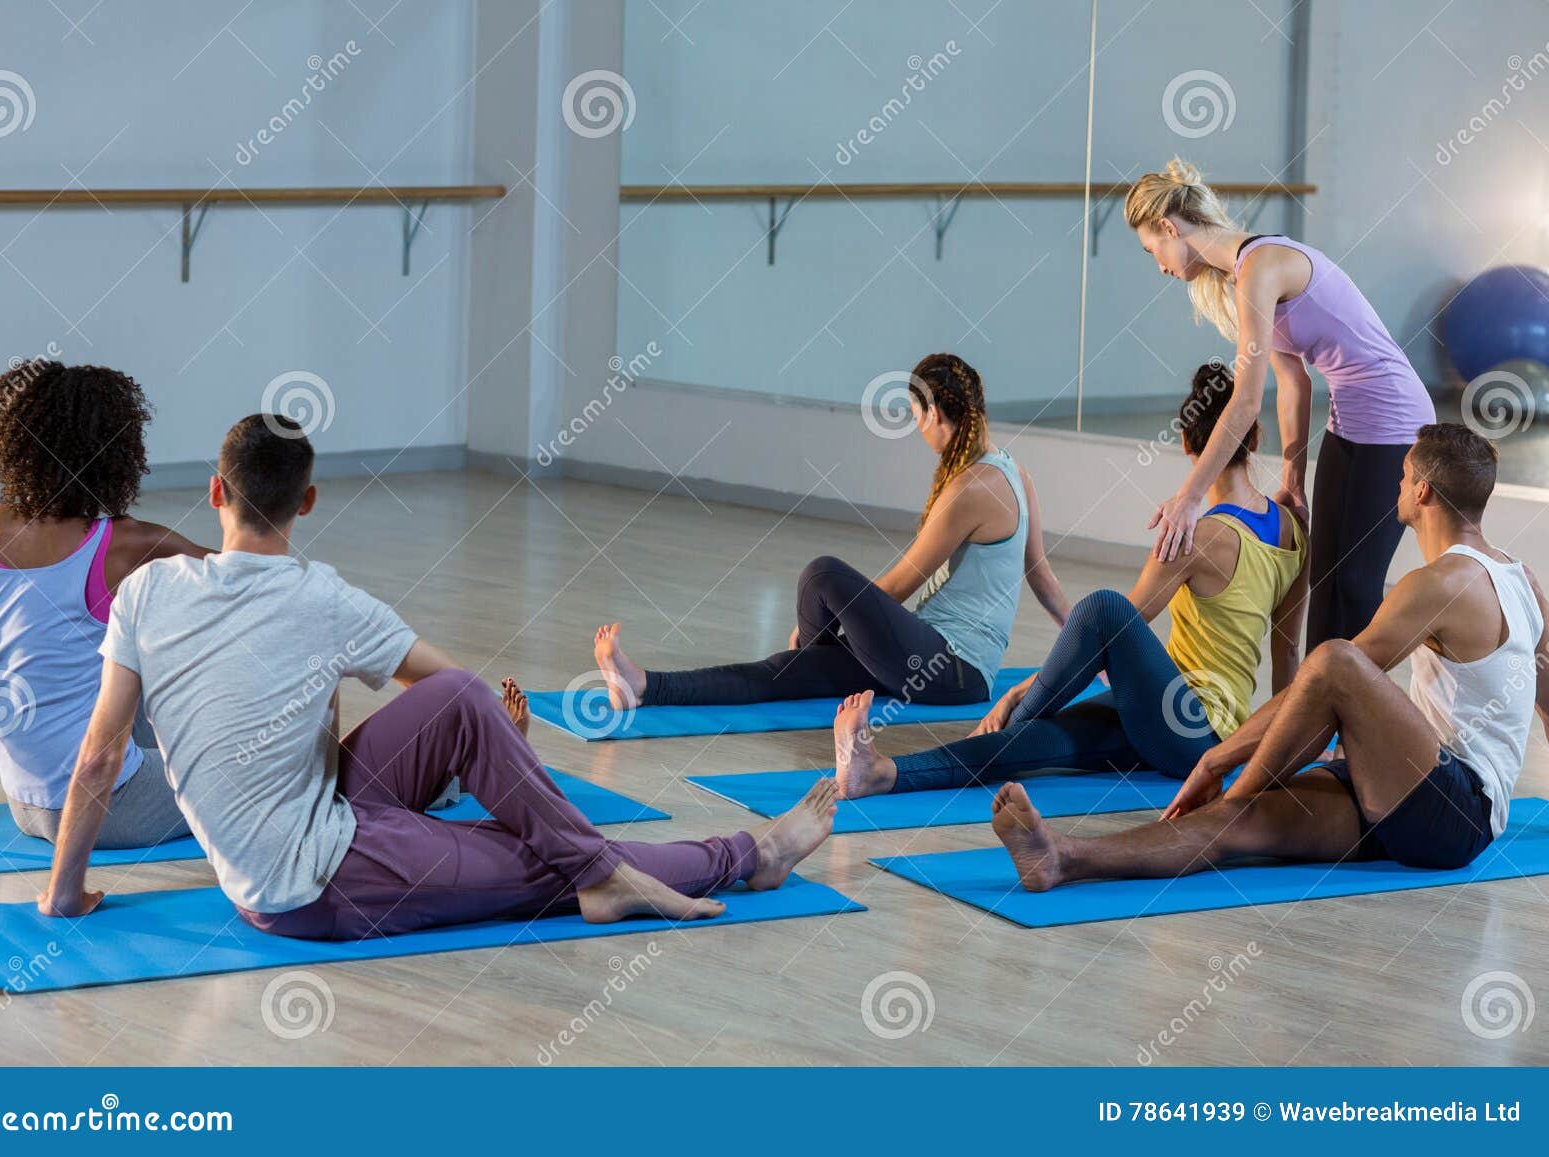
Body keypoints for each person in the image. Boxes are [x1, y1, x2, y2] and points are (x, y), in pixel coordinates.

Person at [37, 415, 839, 939]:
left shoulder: (146, 589)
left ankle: (595, 864)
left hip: (319, 815)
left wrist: (63, 893)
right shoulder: (324, 595)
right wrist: (500, 732)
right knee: (544, 861)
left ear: (215, 491)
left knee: (459, 701)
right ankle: (746, 854)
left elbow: (100, 756)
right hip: (305, 885)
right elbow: (447, 680)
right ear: (308, 500)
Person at [991, 423, 1547, 890]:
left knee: (1338, 661)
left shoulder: (1439, 583)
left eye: (1403, 476)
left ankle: (1234, 785)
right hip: (1403, 793)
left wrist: (1217, 759)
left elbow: (1330, 677)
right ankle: (1061, 857)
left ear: (1423, 492)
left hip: (1455, 812)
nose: (1397, 486)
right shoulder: (1524, 582)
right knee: (1244, 825)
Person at [834, 361, 1306, 797]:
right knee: (1035, 742)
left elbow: (1112, 629)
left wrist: (1024, 690)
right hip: (1164, 717)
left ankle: (1021, 709)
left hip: (1192, 735)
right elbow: (1287, 656)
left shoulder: (1195, 537)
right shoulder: (1294, 530)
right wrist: (1283, 751)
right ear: (1256, 437)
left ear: (1186, 443)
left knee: (1105, 608)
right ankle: (879, 773)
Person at [592, 353, 1070, 713]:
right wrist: (1089, 643)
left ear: (936, 415)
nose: (916, 429)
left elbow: (899, 586)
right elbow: (1041, 574)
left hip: (949, 669)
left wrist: (814, 629)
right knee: (779, 675)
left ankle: (807, 648)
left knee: (823, 576)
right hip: (933, 659)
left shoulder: (971, 490)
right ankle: (643, 686)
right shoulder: (1015, 473)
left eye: (914, 416)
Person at [1126, 158, 1436, 648]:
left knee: (1355, 586)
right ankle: (1312, 713)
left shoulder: (1262, 266)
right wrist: (1293, 480)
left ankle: (1355, 714)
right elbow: (1293, 383)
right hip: (1349, 420)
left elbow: (1247, 402)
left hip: (1395, 419)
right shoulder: (1244, 275)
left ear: (1169, 227)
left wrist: (1188, 498)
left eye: (1153, 249)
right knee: (1323, 579)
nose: (1160, 265)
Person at [0, 360, 208, 847]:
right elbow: (256, 579)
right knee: (257, 766)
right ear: (115, 452)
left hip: (27, 807)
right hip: (113, 810)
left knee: (142, 656)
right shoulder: (127, 543)